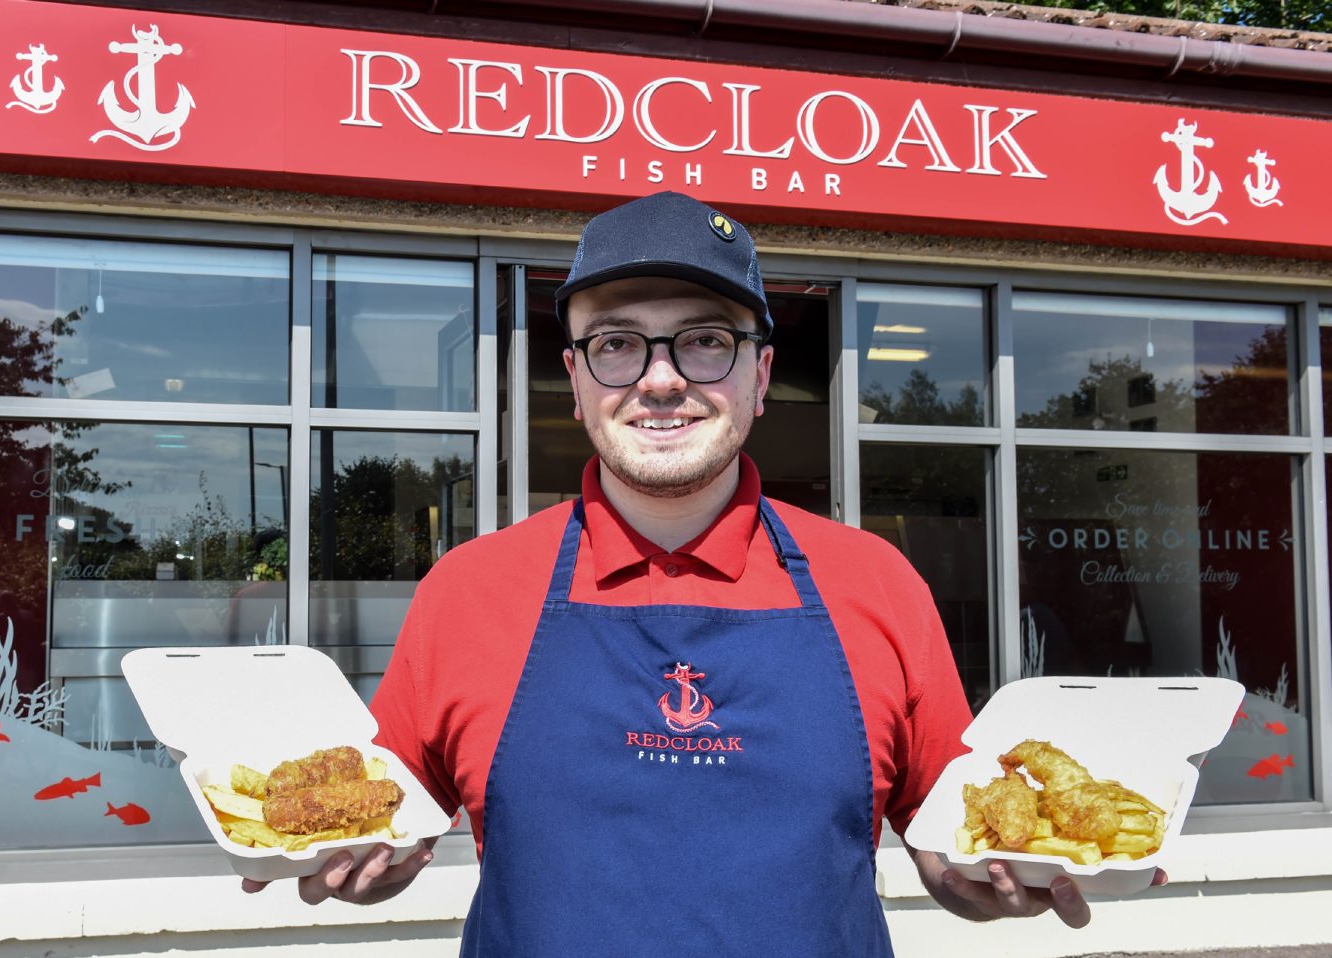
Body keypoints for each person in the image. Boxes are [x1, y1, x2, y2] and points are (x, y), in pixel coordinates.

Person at [245, 190, 1141, 951]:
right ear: (577, 379)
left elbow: (948, 845)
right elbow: (389, 833)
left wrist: (996, 880)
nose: (662, 379)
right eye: (619, 344)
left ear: (760, 375)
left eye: (705, 340)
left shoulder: (875, 582)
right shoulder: (468, 591)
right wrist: (356, 868)